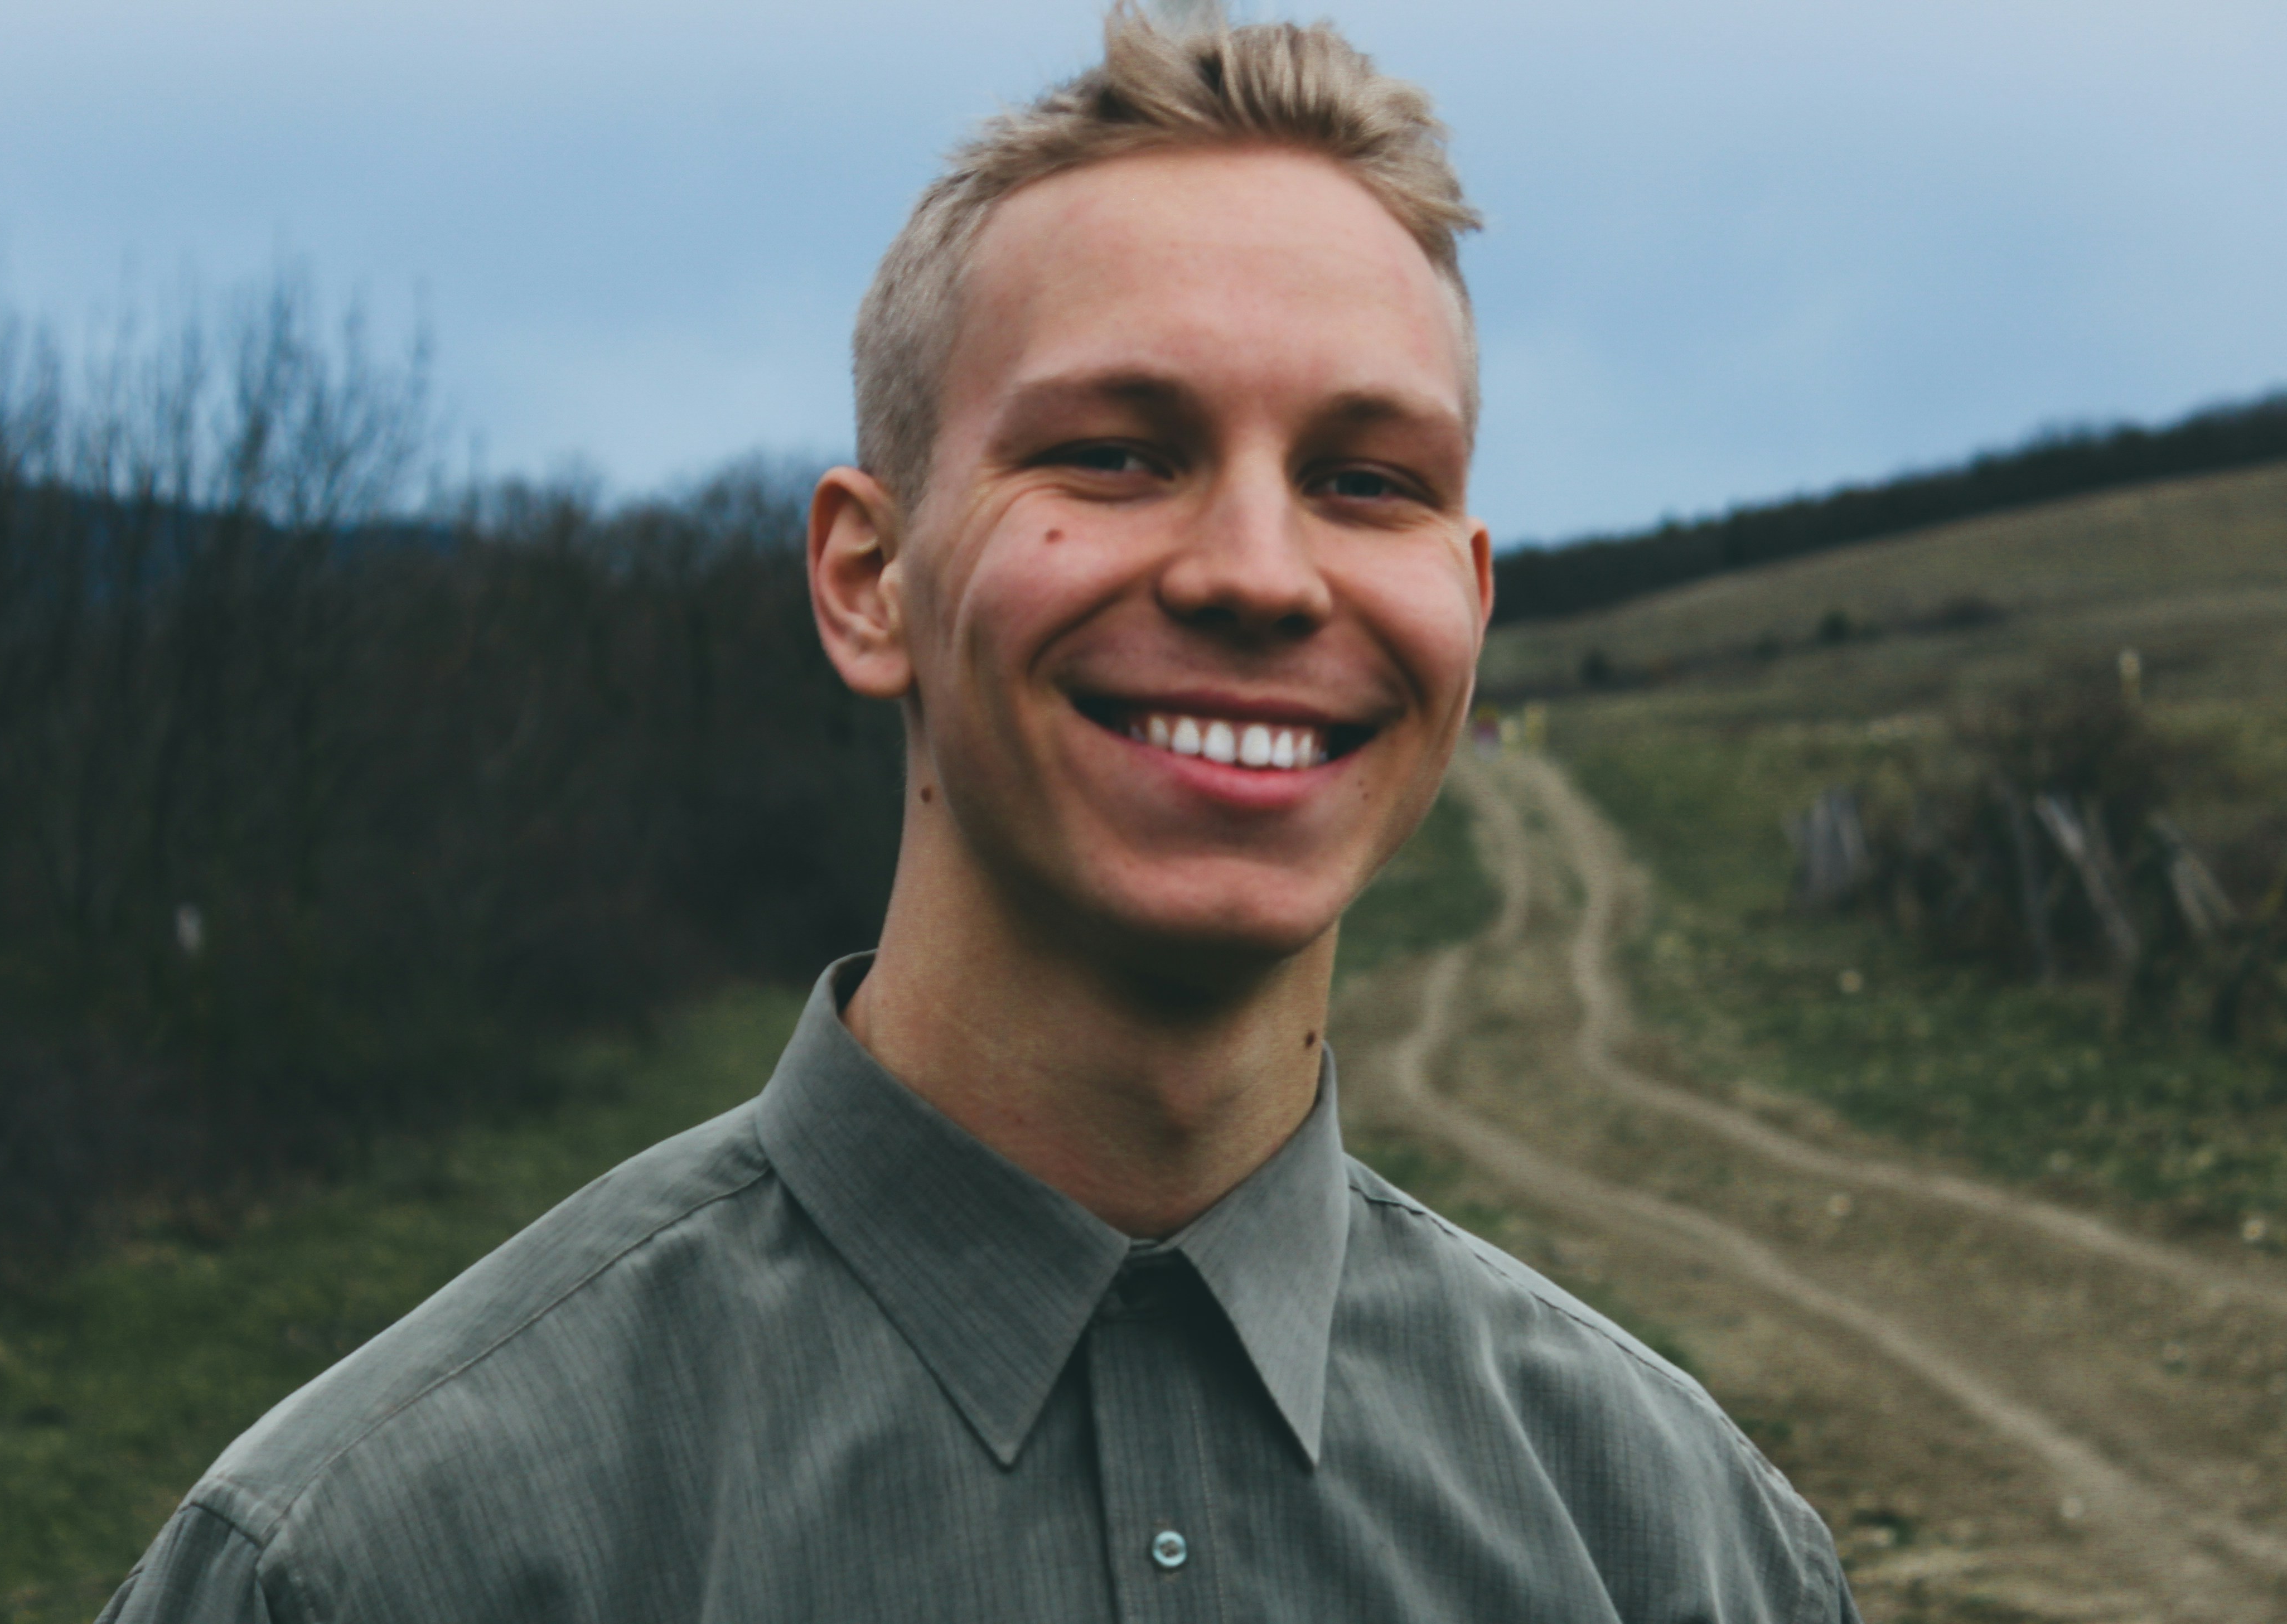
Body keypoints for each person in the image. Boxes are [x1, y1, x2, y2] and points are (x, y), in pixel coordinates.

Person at [100, 8, 1859, 1620]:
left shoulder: (1692, 1548)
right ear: (868, 580)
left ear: (1468, 607)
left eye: (1364, 481)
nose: (1260, 573)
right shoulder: (368, 1564)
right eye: (1115, 452)